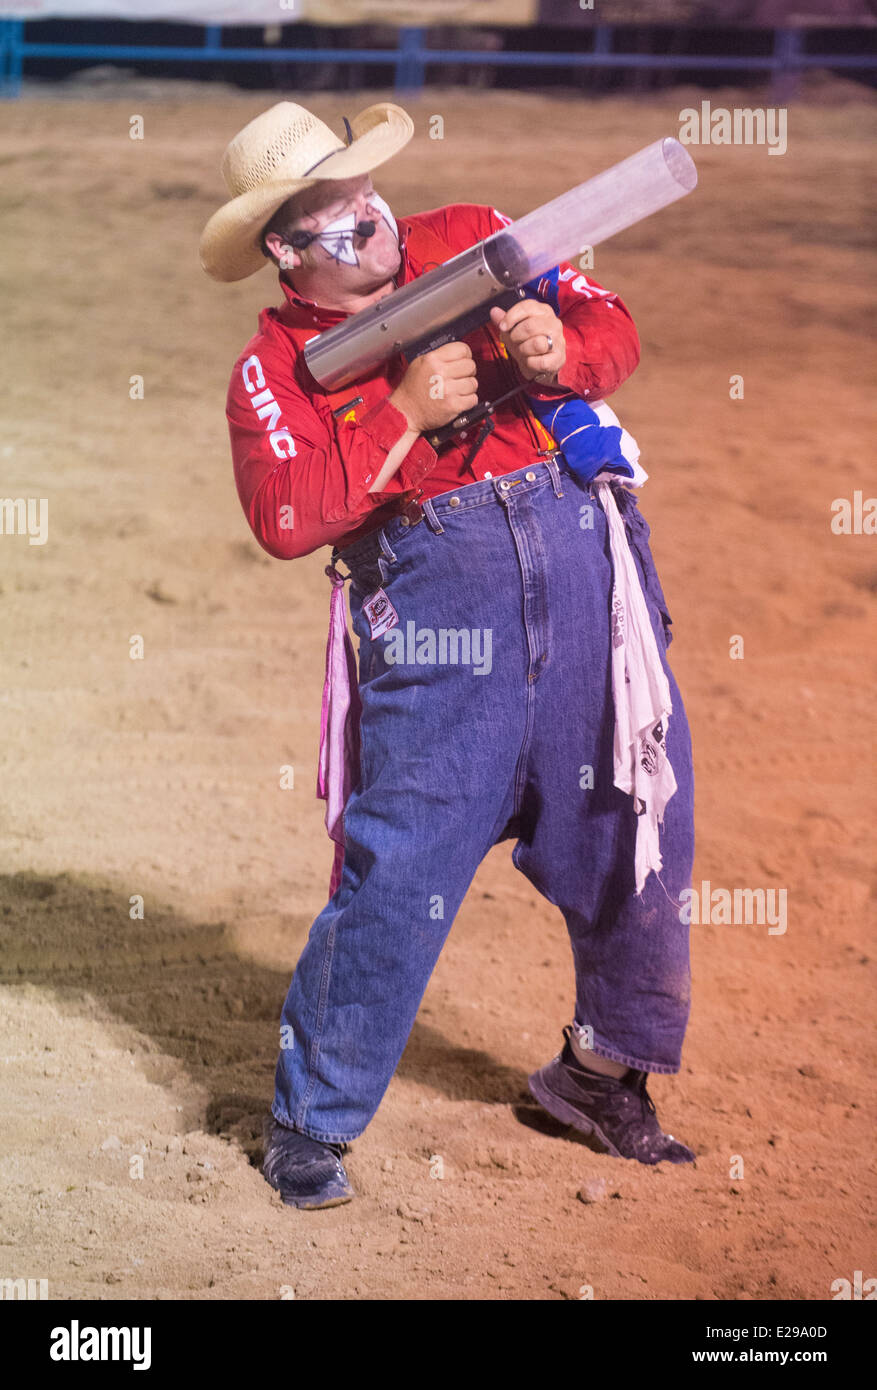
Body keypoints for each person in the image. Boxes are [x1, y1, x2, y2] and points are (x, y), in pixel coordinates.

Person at [200, 101, 696, 1210]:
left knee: (637, 821)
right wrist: (403, 418)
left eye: (366, 198)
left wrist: (560, 350)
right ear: (284, 251)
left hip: (582, 570)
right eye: (335, 222)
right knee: (401, 865)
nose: (370, 225)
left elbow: (608, 321)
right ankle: (309, 1121)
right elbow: (286, 515)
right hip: (433, 619)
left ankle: (600, 1074)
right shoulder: (271, 368)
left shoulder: (476, 235)